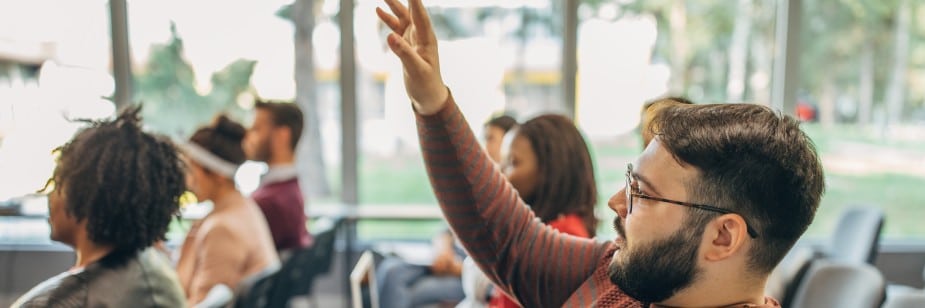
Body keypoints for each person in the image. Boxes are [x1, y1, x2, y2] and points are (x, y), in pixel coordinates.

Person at [375, 0, 826, 307]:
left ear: (723, 237)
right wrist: (433, 103)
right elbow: (509, 241)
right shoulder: (622, 271)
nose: (615, 203)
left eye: (643, 194)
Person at [12, 107, 187, 307]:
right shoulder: (156, 271)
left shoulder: (56, 303)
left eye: (57, 184)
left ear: (83, 195)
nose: (50, 197)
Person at [480, 114, 599, 308]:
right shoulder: (542, 230)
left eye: (512, 163)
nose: (500, 173)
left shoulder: (563, 240)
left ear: (549, 171)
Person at [175, 115, 279, 306]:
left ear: (218, 175)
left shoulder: (221, 229)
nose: (187, 180)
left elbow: (201, 303)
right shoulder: (245, 207)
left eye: (192, 169)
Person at [243, 100, 312, 253]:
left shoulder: (269, 202)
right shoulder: (290, 190)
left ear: (282, 135)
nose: (247, 137)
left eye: (256, 129)